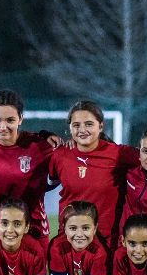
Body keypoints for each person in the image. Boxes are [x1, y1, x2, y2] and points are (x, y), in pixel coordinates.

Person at [48, 100, 140, 247]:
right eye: (76, 125)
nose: (82, 129)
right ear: (70, 128)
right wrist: (44, 135)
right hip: (70, 239)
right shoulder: (59, 155)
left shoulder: (119, 153)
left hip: (106, 240)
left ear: (101, 126)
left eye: (89, 124)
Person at [0, 90, 56, 238]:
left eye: (10, 120)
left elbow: (67, 161)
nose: (2, 126)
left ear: (20, 119)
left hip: (33, 226)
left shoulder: (40, 146)